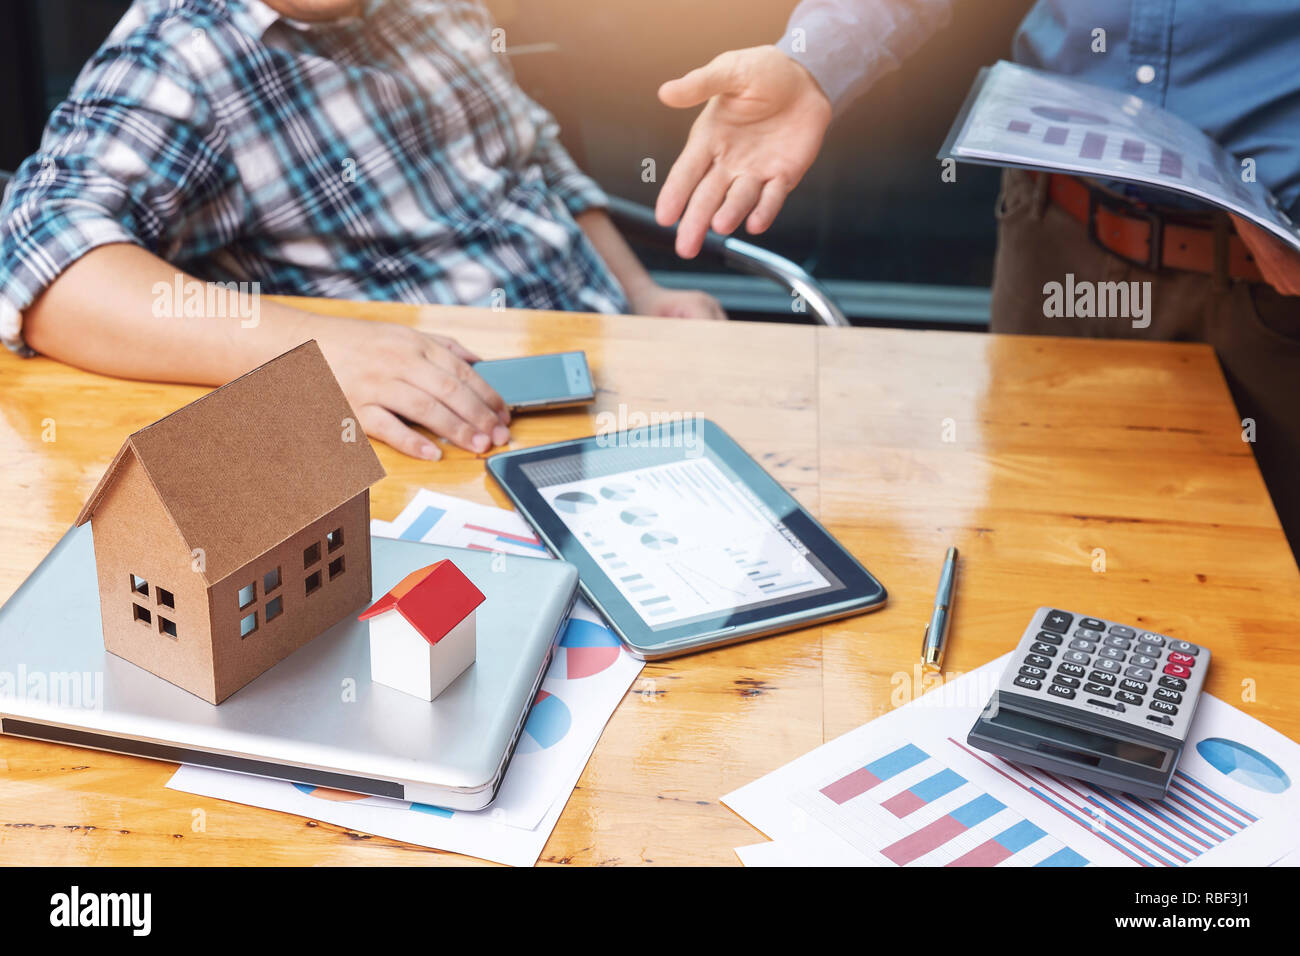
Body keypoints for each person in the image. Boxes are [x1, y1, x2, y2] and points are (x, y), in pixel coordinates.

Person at [654, 0, 1300, 554]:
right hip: (1056, 230)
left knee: (1269, 599)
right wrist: (811, 57)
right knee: (1031, 543)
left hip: (1271, 278)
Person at [0, 0, 724, 462]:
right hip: (484, 437)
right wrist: (319, 356)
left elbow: (533, 155)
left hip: (617, 363)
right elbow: (41, 258)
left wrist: (642, 291)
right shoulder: (177, 56)